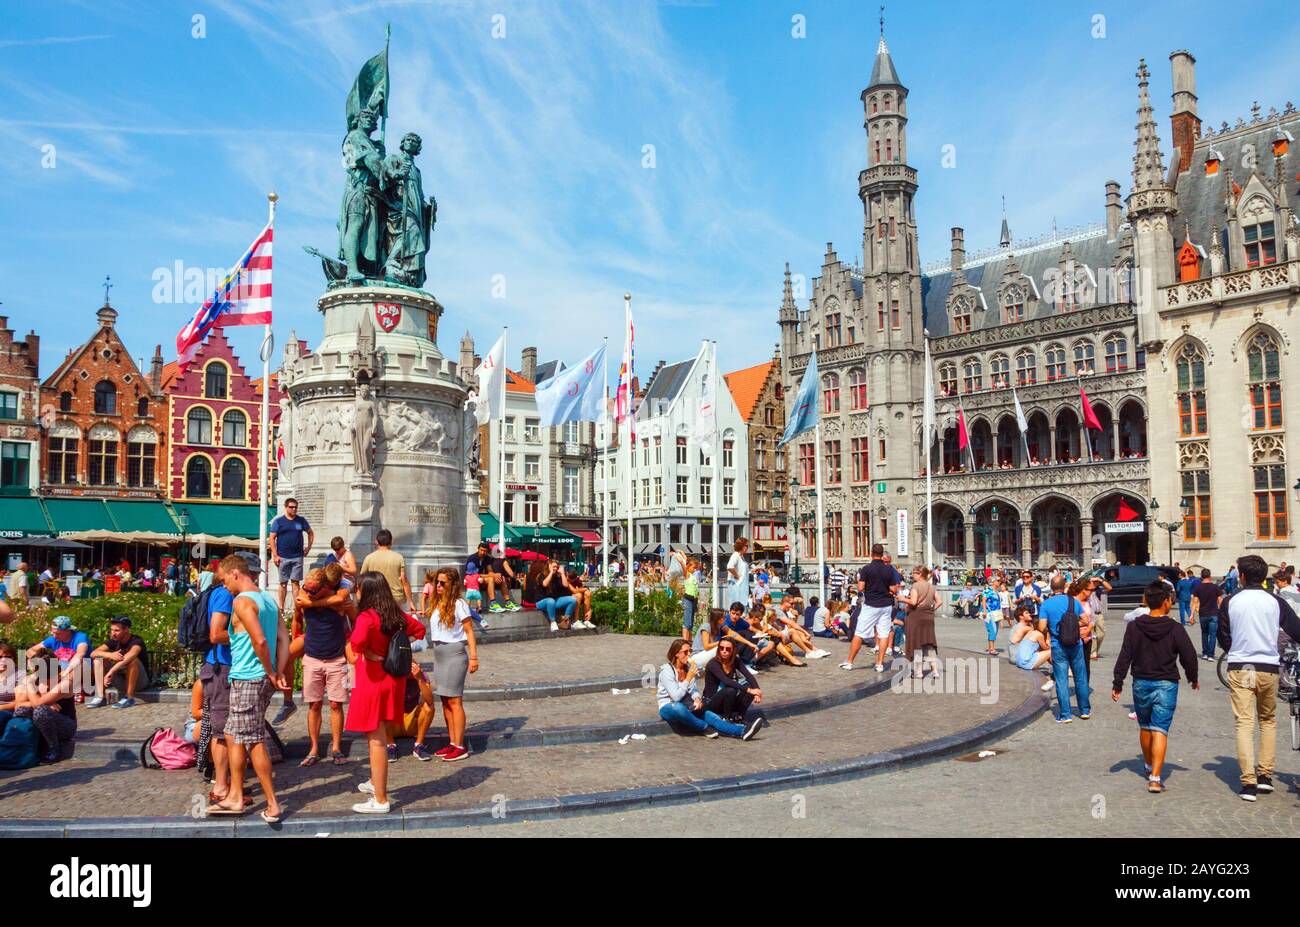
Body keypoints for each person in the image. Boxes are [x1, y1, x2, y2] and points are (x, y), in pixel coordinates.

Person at [206, 554, 289, 824]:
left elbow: (261, 640)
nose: (223, 587)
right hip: (259, 678)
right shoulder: (269, 600)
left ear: (235, 574)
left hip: (249, 678)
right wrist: (278, 670)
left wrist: (270, 670)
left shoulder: (242, 601)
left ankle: (273, 804)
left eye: (224, 581)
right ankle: (235, 794)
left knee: (254, 741)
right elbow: (284, 640)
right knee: (232, 733)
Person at [1217, 554, 1300, 801]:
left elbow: (1223, 636)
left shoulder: (1231, 601)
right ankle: (1265, 776)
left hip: (1241, 665)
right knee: (1268, 720)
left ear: (1241, 576)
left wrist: (1237, 649)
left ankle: (1248, 783)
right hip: (1268, 667)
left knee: (1244, 722)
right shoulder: (1275, 601)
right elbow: (1296, 630)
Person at [347, 572, 427, 813]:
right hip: (392, 679)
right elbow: (420, 630)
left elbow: (356, 645)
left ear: (365, 590)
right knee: (378, 735)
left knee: (376, 740)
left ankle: (380, 799)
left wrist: (371, 652)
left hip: (373, 680)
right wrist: (397, 647)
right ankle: (375, 781)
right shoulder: (395, 614)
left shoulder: (366, 617)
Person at [1110, 581, 1198, 794]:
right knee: (1161, 728)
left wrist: (1118, 682)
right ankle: (1156, 778)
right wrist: (1192, 677)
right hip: (1167, 683)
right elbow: (1189, 655)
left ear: (1147, 601)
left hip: (1141, 681)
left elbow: (1125, 656)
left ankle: (1149, 765)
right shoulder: (1175, 627)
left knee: (1145, 726)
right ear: (1167, 601)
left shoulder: (1134, 626)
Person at [295, 564, 354, 767]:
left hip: (336, 658)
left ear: (325, 587)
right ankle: (314, 748)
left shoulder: (339, 600)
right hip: (312, 657)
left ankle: (336, 747)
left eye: (313, 590)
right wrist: (296, 636)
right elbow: (296, 619)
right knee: (315, 705)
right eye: (308, 589)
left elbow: (355, 619)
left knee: (336, 704)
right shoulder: (304, 597)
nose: (309, 592)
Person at [426, 566, 479, 762]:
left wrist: (473, 656)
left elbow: (469, 631)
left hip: (454, 653)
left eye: (442, 583)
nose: (438, 586)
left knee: (455, 701)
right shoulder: (437, 602)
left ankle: (459, 745)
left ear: (452, 585)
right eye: (437, 583)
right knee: (445, 700)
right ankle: (451, 741)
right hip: (439, 654)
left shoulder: (459, 604)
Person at [199, 558, 237, 807]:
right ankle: (222, 784)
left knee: (224, 727)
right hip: (220, 666)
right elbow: (216, 633)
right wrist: (247, 636)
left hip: (221, 665)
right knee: (222, 729)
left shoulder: (218, 593)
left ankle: (226, 779)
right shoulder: (223, 595)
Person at [657, 638, 748, 738]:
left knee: (713, 718)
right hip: (669, 707)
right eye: (685, 652)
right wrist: (688, 678)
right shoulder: (667, 671)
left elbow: (693, 689)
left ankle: (742, 731)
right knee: (679, 708)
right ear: (676, 654)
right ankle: (704, 727)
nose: (689, 655)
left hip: (688, 705)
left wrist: (697, 699)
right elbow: (676, 697)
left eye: (690, 651)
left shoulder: (688, 669)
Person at [1040, 575, 1091, 723]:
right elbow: (1085, 620)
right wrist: (1073, 626)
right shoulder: (1073, 601)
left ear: (1052, 587)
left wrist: (1053, 627)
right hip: (1076, 644)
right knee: (1080, 678)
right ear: (1064, 587)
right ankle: (1085, 710)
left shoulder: (1046, 604)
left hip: (1058, 645)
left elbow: (1042, 626)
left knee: (1062, 681)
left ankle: (1065, 715)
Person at [13, 649, 78, 763]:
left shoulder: (65, 683)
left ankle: (53, 749)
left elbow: (38, 704)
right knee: (23, 710)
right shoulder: (35, 680)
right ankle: (23, 744)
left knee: (41, 711)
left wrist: (29, 686)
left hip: (65, 725)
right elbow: (18, 705)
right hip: (43, 720)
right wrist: (45, 703)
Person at [841, 544, 899, 673]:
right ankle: (879, 664)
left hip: (871, 604)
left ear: (871, 553)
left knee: (860, 633)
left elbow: (861, 588)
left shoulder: (866, 569)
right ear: (882, 554)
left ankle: (849, 662)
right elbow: (894, 589)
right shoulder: (889, 570)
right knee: (884, 634)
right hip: (886, 606)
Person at [702, 637, 766, 740]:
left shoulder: (735, 660)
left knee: (748, 686)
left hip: (728, 699)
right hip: (712, 701)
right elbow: (726, 681)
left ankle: (739, 717)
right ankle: (727, 718)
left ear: (733, 650)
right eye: (721, 648)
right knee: (732, 690)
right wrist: (749, 690)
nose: (724, 651)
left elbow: (749, 676)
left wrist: (757, 691)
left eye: (728, 649)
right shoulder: (713, 664)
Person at [87, 617, 149, 708]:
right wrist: (110, 655)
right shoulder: (114, 641)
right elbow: (93, 653)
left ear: (126, 629)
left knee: (133, 660)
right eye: (112, 630)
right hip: (120, 682)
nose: (113, 633)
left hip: (139, 682)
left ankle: (129, 698)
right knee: (98, 660)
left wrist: (111, 671)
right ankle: (100, 697)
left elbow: (131, 654)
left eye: (116, 630)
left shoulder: (137, 641)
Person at [269, 497, 314, 616]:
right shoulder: (279, 521)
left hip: (297, 556)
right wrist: (275, 555)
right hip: (282, 556)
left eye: (295, 507)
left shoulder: (301, 521)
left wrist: (308, 547)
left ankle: (297, 609)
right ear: (286, 507)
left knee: (295, 583)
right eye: (291, 507)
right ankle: (281, 608)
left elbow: (310, 532)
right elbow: (272, 538)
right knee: (283, 583)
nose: (294, 509)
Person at [28, 616, 91, 699]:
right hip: (59, 670)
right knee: (39, 667)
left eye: (57, 633)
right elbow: (30, 651)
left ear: (68, 631)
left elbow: (80, 654)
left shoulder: (80, 637)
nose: (54, 636)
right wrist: (38, 665)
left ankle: (53, 695)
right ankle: (46, 694)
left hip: (79, 669)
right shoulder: (53, 639)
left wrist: (65, 672)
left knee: (79, 664)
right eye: (53, 632)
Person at [898, 566, 941, 679]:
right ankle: (935, 671)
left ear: (920, 574)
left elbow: (913, 602)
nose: (913, 575)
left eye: (914, 573)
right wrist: (931, 610)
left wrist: (902, 598)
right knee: (929, 643)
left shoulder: (916, 586)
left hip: (916, 617)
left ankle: (919, 672)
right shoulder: (931, 586)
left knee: (917, 644)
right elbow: (939, 601)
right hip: (928, 617)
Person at [387, 661, 436, 761]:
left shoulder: (421, 675)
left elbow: (430, 701)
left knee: (428, 706)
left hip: (411, 721)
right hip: (393, 722)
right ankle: (390, 745)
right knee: (382, 705)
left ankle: (418, 745)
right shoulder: (392, 674)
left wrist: (419, 679)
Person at [360, 529, 415, 613]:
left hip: (375, 598)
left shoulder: (369, 558)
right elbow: (404, 581)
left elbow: (362, 580)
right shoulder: (398, 557)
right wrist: (410, 602)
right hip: (395, 598)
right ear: (391, 541)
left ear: (376, 541)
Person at [525, 559, 577, 632]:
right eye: (553, 566)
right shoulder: (541, 575)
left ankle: (565, 621)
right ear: (548, 566)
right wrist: (551, 573)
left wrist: (562, 574)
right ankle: (553, 622)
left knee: (573, 600)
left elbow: (565, 585)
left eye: (556, 567)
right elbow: (545, 584)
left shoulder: (557, 576)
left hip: (553, 601)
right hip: (541, 602)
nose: (555, 568)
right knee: (550, 601)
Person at [466, 542, 519, 613]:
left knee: (501, 578)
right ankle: (493, 604)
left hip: (480, 579)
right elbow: (473, 575)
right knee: (490, 578)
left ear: (487, 551)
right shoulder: (472, 558)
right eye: (481, 550)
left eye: (484, 551)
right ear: (478, 549)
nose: (482, 552)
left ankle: (508, 602)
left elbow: (490, 571)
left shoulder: (487, 558)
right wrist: (493, 576)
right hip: (471, 581)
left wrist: (496, 576)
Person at [1008, 606, 1054, 686]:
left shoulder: (1023, 628)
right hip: (1016, 657)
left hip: (1018, 657)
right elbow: (1045, 648)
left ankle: (1054, 670)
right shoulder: (1024, 628)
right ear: (1021, 617)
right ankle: (1058, 671)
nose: (1029, 614)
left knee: (1040, 651)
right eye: (1026, 613)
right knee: (1050, 651)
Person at [723, 600, 775, 669]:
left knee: (770, 642)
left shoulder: (740, 621)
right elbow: (729, 635)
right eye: (733, 613)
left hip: (742, 643)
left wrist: (759, 632)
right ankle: (746, 663)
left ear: (741, 615)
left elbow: (750, 628)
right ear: (729, 612)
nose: (734, 616)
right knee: (747, 635)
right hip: (729, 644)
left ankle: (751, 662)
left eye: (737, 614)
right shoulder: (725, 621)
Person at [1190, 568, 1223, 661]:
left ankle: (1204, 653)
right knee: (1213, 635)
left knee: (1204, 633)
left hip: (1203, 614)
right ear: (1210, 576)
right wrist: (1223, 614)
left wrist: (1191, 615)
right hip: (1214, 614)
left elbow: (1195, 602)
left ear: (1201, 576)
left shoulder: (1198, 587)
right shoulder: (1215, 587)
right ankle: (1211, 655)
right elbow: (1220, 602)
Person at [980, 577, 1006, 656]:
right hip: (989, 613)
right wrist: (984, 610)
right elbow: (983, 600)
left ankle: (991, 647)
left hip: (996, 613)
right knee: (992, 630)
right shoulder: (988, 590)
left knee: (995, 631)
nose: (999, 582)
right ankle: (991, 649)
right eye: (998, 580)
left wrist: (1001, 619)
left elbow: (999, 605)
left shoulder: (997, 592)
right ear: (993, 582)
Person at [726, 538, 751, 609]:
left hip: (742, 586)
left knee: (741, 607)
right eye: (747, 546)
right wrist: (736, 575)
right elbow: (729, 566)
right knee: (737, 608)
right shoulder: (736, 555)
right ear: (742, 546)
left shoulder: (741, 556)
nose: (747, 548)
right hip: (737, 586)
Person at [680, 558, 701, 640]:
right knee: (687, 623)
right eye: (693, 567)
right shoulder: (687, 574)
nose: (694, 569)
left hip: (693, 600)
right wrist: (680, 558)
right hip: (687, 599)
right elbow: (683, 566)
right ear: (688, 567)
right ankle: (685, 641)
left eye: (695, 568)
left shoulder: (693, 576)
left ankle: (689, 640)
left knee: (691, 623)